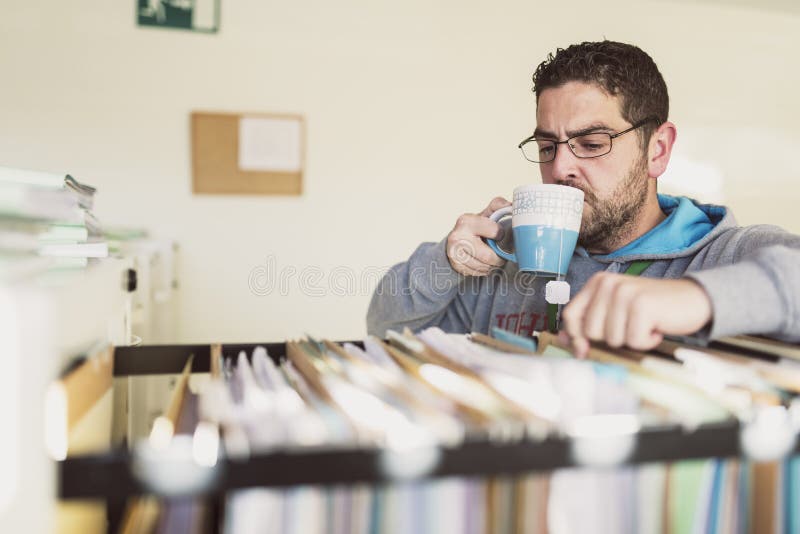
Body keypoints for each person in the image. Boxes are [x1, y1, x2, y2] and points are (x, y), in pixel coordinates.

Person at [367, 40, 800, 357]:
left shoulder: (727, 256)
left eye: (592, 143)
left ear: (658, 150)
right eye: (547, 147)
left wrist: (695, 299)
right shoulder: (507, 260)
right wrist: (444, 262)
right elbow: (384, 327)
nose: (560, 169)